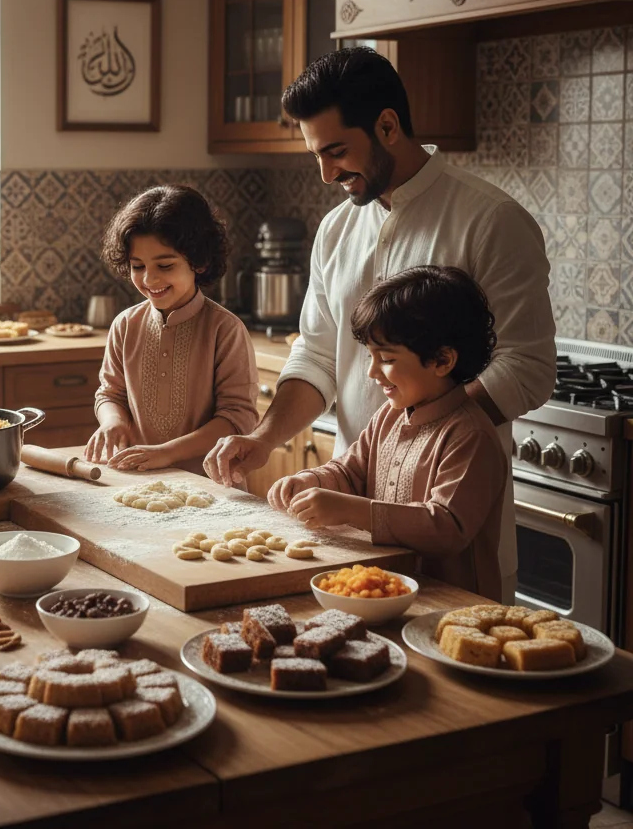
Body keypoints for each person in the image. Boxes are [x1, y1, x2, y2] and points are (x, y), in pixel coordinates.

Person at [205, 47, 555, 602]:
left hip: (456, 552)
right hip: (350, 543)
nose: (325, 173)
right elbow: (318, 353)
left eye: (337, 151)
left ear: (388, 125)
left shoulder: (492, 221)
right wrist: (264, 438)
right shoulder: (335, 230)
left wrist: (426, 441)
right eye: (316, 155)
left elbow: (529, 367)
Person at [269, 266, 508, 600]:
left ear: (442, 360)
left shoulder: (470, 436)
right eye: (370, 356)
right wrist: (313, 481)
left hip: (451, 604)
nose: (371, 371)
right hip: (388, 591)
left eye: (386, 359)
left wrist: (351, 510)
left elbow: (445, 527)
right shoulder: (389, 416)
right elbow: (350, 473)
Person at [84, 185, 259, 473]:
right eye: (137, 266)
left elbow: (237, 418)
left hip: (210, 487)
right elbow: (110, 395)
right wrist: (112, 421)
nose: (149, 278)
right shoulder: (125, 326)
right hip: (138, 480)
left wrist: (166, 453)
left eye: (165, 266)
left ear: (199, 262)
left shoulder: (225, 330)